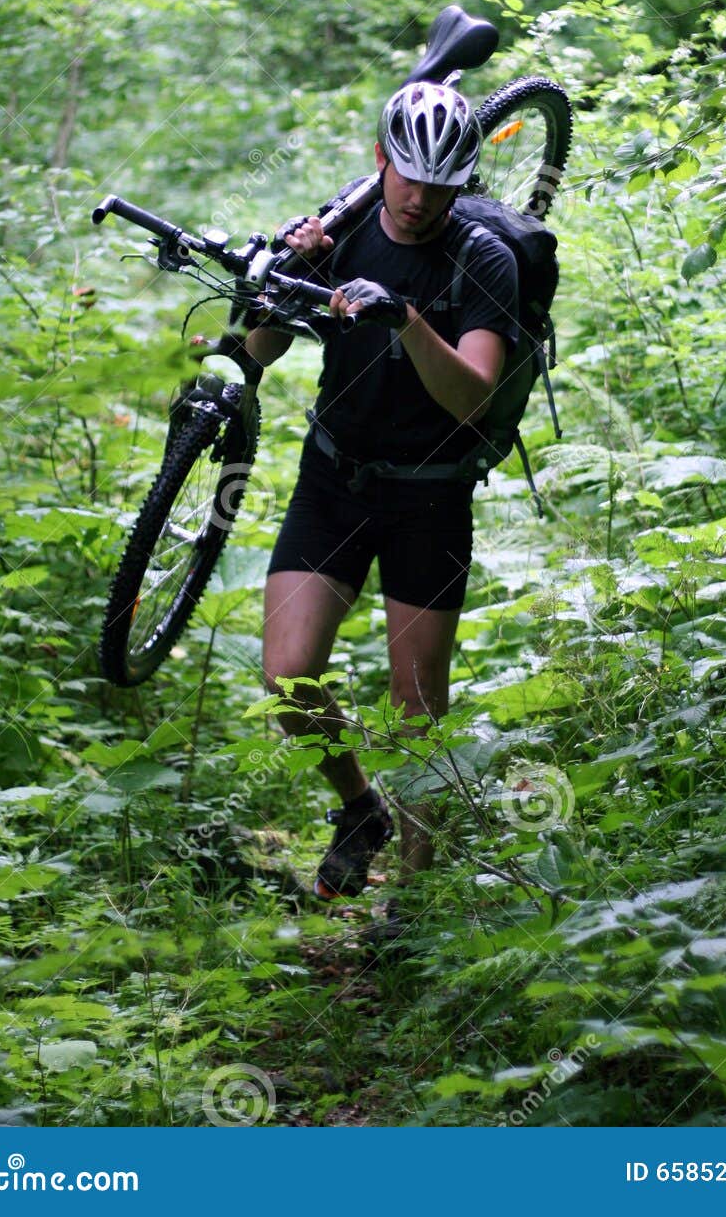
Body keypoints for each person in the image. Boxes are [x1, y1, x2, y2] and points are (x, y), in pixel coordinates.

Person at [241, 81, 519, 901]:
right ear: (381, 159)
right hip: (334, 475)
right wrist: (291, 270)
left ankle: (412, 898)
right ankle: (360, 810)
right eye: (407, 175)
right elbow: (257, 350)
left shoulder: (481, 257)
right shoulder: (347, 225)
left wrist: (402, 318)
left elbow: (472, 394)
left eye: (440, 183)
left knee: (414, 710)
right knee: (287, 676)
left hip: (427, 496)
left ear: (463, 180)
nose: (419, 196)